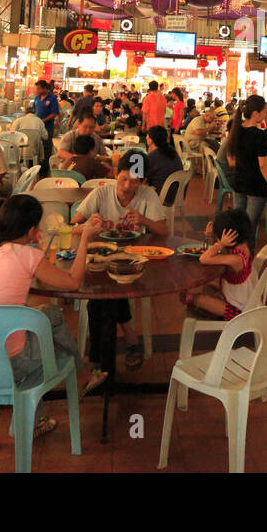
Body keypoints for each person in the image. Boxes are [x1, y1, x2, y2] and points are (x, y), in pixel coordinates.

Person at [0, 195, 107, 436]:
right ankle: (29, 423)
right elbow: (73, 283)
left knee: (49, 314)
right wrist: (85, 238)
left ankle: (82, 375)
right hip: (7, 364)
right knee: (54, 348)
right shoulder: (27, 256)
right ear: (32, 230)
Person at [69, 149, 165, 370]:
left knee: (102, 294)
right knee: (109, 289)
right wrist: (87, 226)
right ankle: (130, 339)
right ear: (114, 174)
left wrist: (143, 219)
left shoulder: (147, 195)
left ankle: (98, 362)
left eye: (134, 182)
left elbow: (162, 229)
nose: (127, 187)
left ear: (143, 181)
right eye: (123, 179)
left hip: (134, 262)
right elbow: (73, 226)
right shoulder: (101, 194)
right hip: (102, 261)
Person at [182, 209, 257, 320]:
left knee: (196, 298)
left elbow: (204, 258)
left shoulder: (236, 260)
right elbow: (218, 254)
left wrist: (220, 243)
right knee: (207, 285)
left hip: (239, 310)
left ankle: (202, 308)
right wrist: (210, 236)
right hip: (237, 295)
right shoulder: (243, 245)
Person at [229, 94, 267, 232]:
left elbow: (232, 160)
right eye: (265, 110)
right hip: (256, 185)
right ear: (256, 113)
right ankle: (247, 253)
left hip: (239, 182)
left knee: (238, 225)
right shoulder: (258, 135)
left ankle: (236, 253)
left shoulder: (236, 130)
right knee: (249, 227)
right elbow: (263, 165)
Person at [144, 125, 183, 194]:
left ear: (151, 140)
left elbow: (142, 178)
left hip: (162, 194)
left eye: (147, 136)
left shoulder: (153, 156)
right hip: (177, 193)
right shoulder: (172, 150)